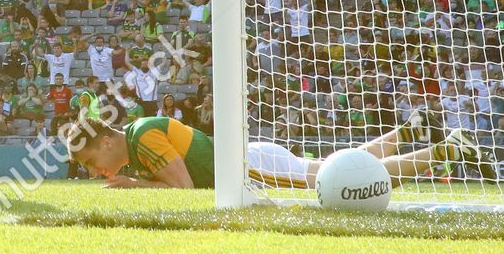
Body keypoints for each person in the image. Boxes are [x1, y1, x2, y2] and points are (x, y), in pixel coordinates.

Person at [64, 109, 497, 190]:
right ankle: (410, 133)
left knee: (339, 183)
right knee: (333, 168)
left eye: (90, 162)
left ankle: (445, 152)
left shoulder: (142, 135)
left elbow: (184, 189)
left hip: (252, 167)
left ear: (106, 141)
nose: (93, 170)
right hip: (252, 159)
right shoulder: (139, 145)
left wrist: (137, 188)